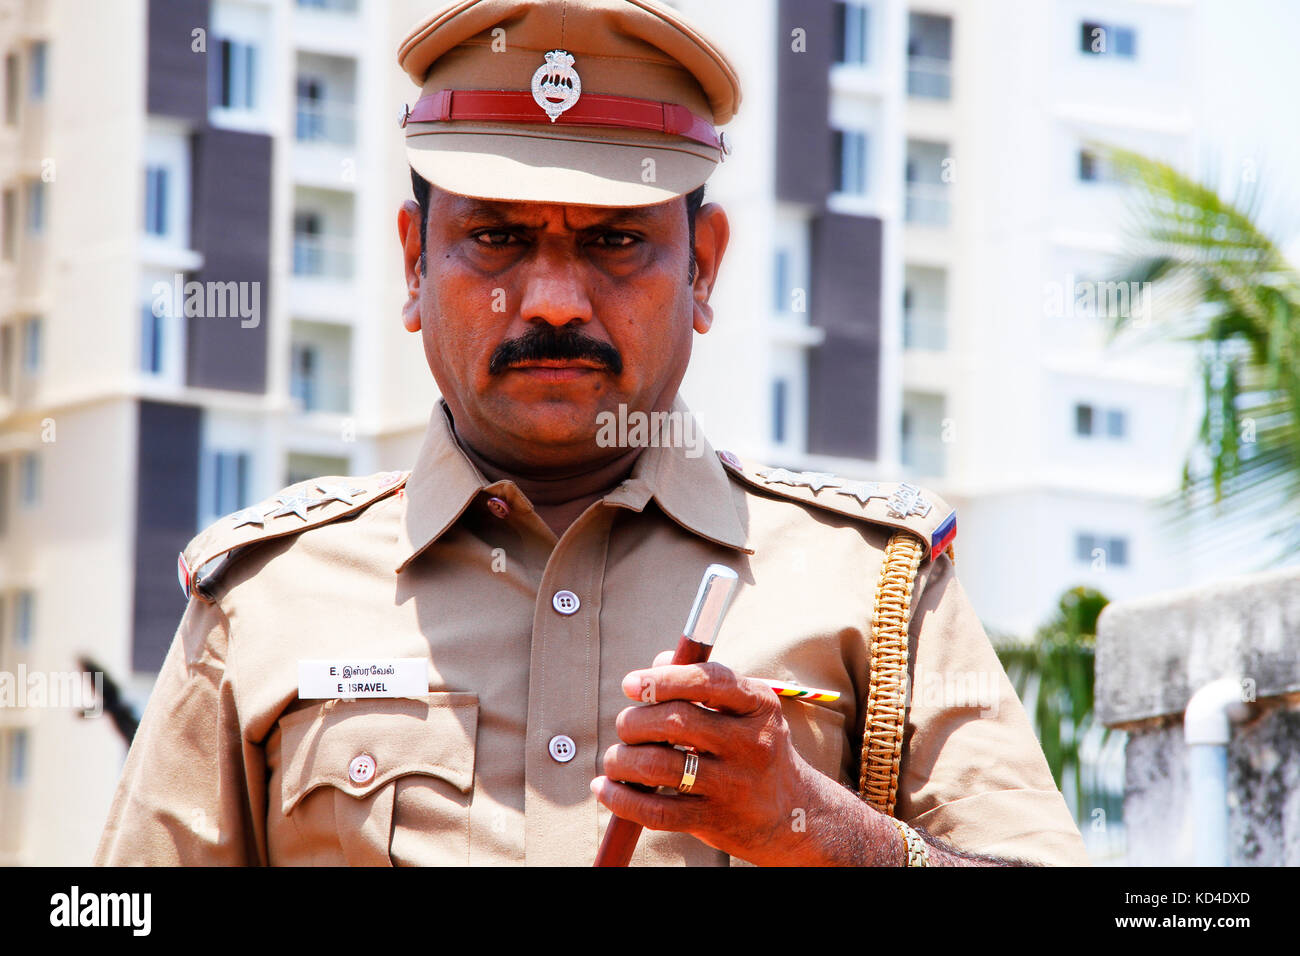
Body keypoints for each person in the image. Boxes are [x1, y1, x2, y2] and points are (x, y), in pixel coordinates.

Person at [95, 0, 1089, 867]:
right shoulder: (261, 599)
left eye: (616, 241)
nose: (555, 300)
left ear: (703, 267)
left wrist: (818, 829)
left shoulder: (873, 585)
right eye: (496, 236)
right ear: (412, 263)